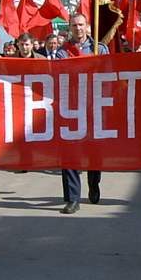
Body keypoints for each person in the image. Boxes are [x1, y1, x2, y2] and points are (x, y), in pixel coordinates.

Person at [56, 13, 106, 214]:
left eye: (81, 24)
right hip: (71, 107)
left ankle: (94, 183)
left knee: (94, 153)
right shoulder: (62, 52)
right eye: (74, 25)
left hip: (95, 105)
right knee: (69, 152)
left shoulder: (100, 49)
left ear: (88, 26)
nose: (78, 28)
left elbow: (109, 71)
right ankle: (73, 198)